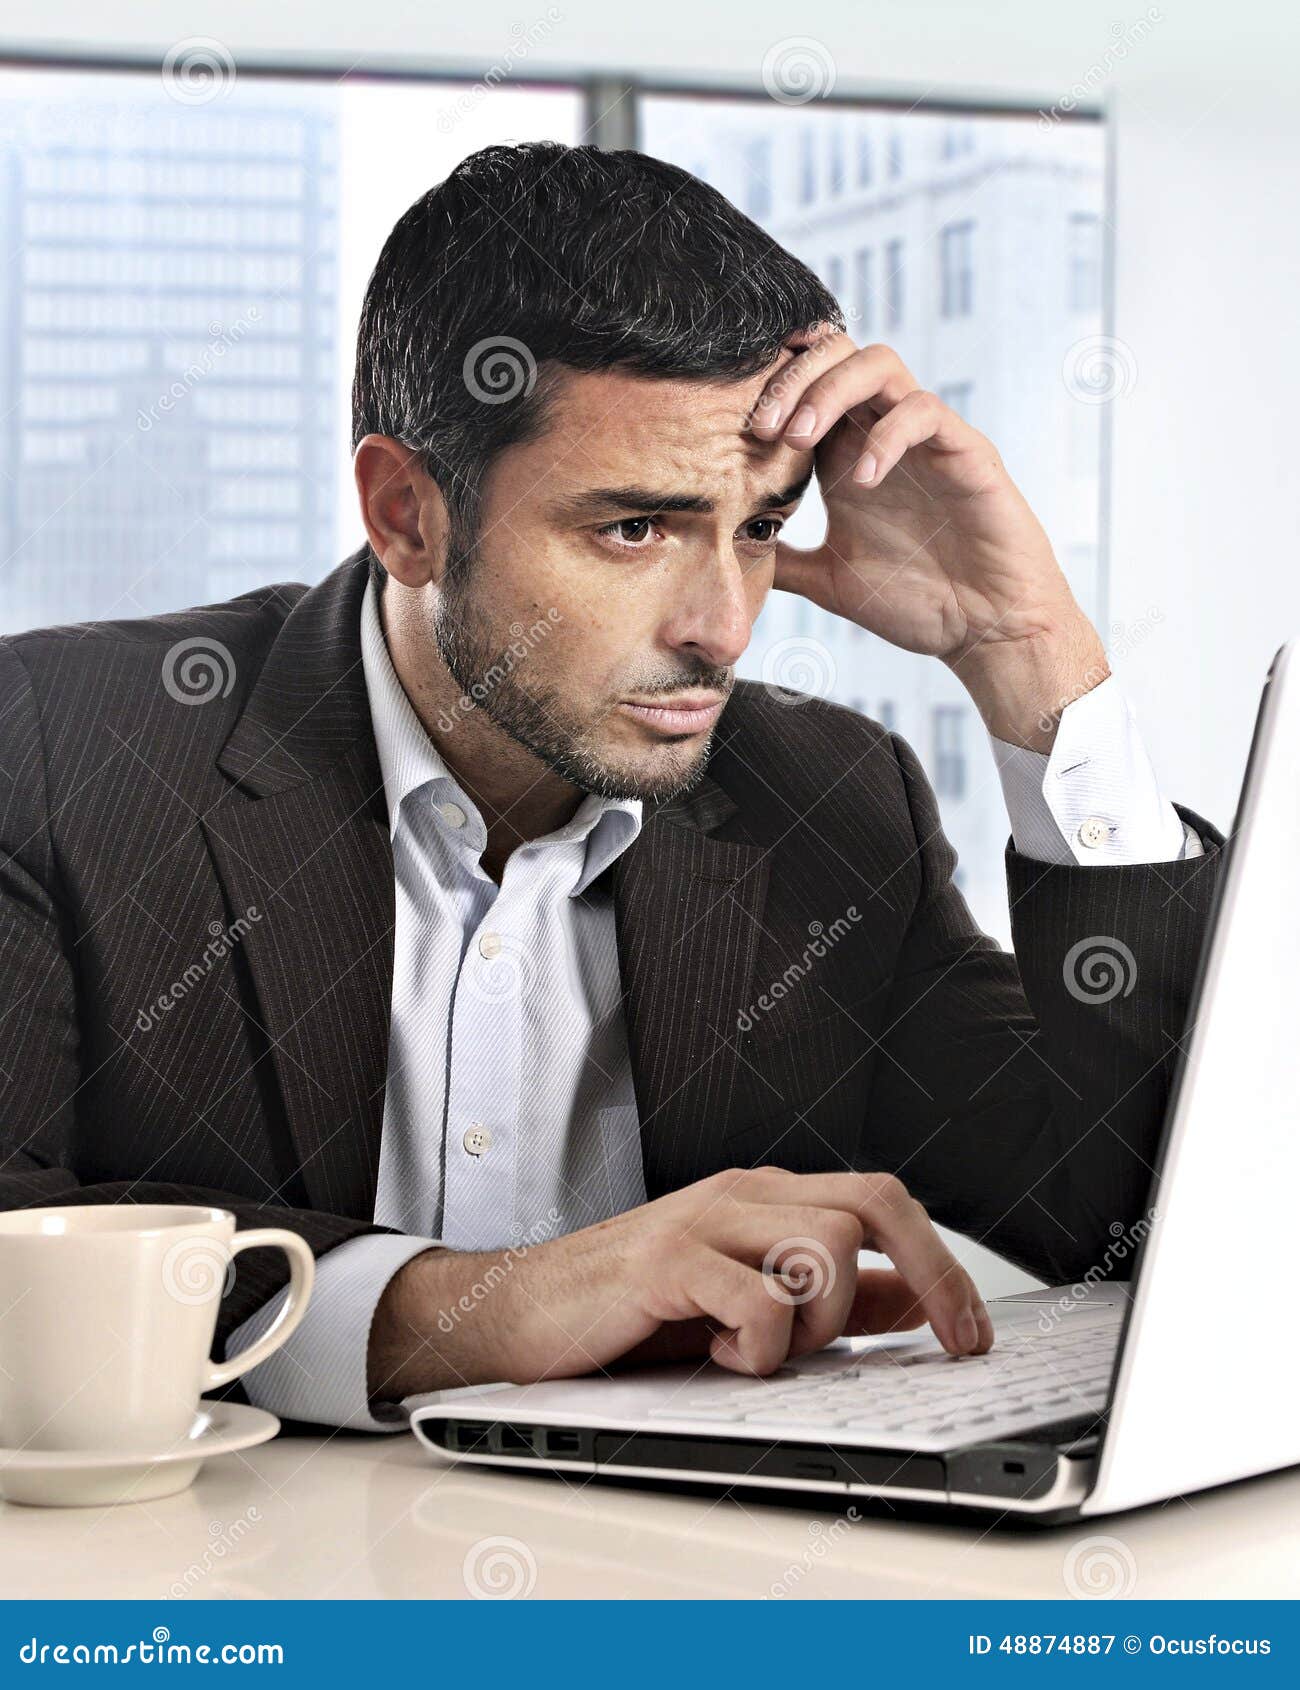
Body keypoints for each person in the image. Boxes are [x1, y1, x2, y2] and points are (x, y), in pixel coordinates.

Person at [0, 143, 1220, 1431]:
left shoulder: (830, 805)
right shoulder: (56, 753)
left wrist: (1030, 658)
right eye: (634, 528)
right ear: (407, 513)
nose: (723, 629)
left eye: (759, 527)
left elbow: (1137, 1215)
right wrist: (466, 1312)